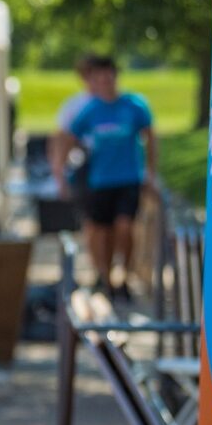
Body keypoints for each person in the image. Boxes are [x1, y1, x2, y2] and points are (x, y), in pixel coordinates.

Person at [66, 56, 157, 301]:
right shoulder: (90, 109)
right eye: (99, 77)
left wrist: (150, 171)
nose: (105, 81)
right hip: (100, 180)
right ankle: (106, 278)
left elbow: (150, 137)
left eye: (108, 75)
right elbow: (69, 136)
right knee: (102, 232)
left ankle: (124, 275)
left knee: (125, 227)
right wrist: (69, 168)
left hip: (128, 178)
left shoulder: (134, 105)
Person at [50, 53, 98, 206]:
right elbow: (61, 137)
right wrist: (59, 172)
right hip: (85, 161)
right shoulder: (74, 105)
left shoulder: (120, 103)